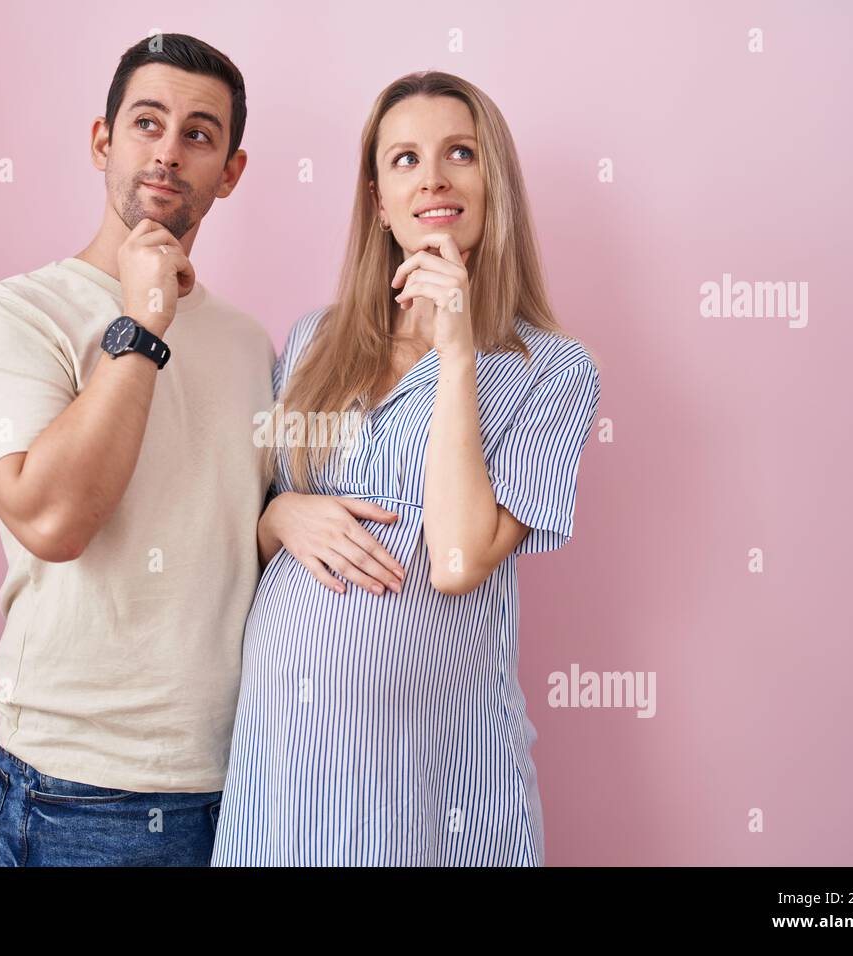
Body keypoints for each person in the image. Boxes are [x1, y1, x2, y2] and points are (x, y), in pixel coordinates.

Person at [210, 70, 602, 866]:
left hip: (430, 781)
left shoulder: (553, 370)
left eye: (460, 153)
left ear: (493, 182)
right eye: (405, 159)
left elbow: (457, 561)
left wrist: (457, 349)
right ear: (378, 197)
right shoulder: (316, 340)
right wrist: (278, 517)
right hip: (282, 772)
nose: (433, 178)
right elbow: (249, 537)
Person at [0, 34, 274, 866]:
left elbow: (241, 537)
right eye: (147, 123)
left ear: (230, 172)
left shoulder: (248, 346)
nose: (168, 152)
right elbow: (54, 520)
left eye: (200, 134)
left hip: (248, 780)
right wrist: (143, 323)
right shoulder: (14, 315)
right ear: (104, 140)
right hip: (83, 797)